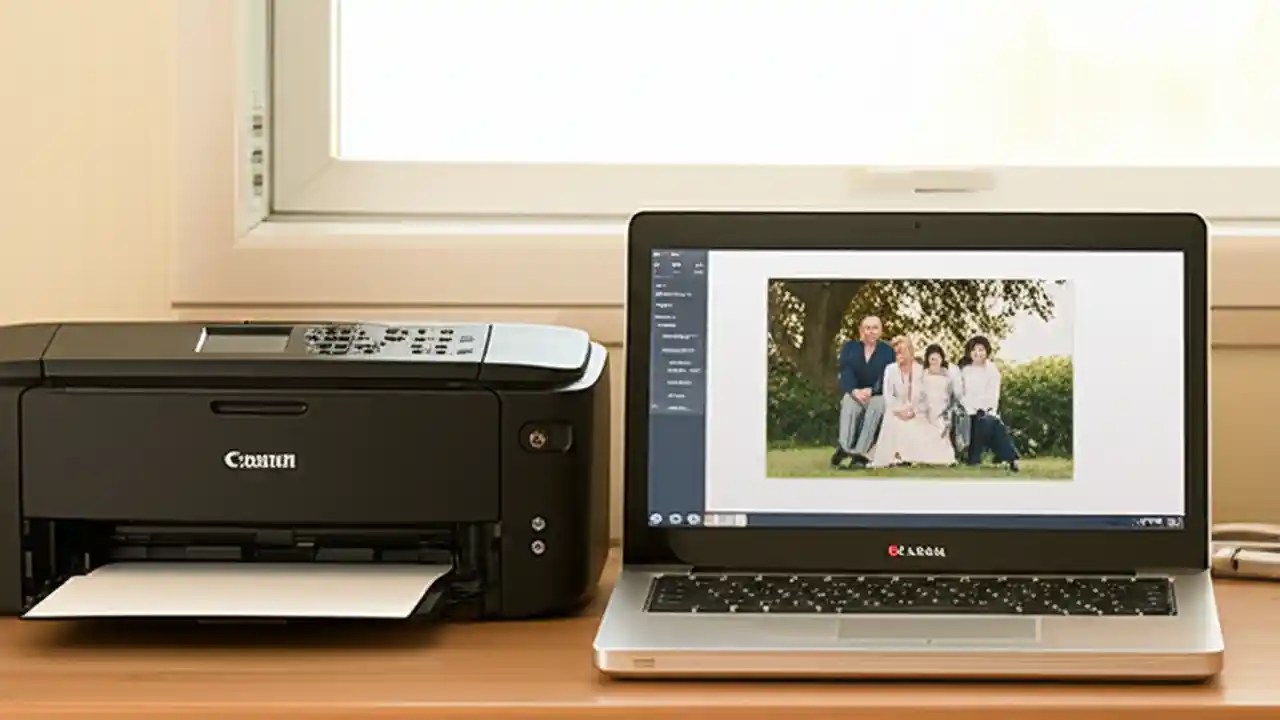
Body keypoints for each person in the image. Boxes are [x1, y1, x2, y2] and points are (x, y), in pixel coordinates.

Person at [869, 336, 956, 468]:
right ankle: (895, 456)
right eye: (897, 352)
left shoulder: (920, 370)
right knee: (891, 420)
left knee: (927, 434)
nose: (900, 355)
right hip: (896, 412)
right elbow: (888, 396)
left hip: (917, 413)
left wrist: (913, 410)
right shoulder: (890, 369)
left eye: (903, 351)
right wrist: (899, 411)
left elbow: (925, 397)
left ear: (910, 351)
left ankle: (909, 455)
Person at [831, 315, 894, 468]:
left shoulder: (887, 351)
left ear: (880, 331)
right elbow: (846, 371)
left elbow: (887, 375)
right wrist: (854, 391)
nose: (871, 332)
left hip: (876, 394)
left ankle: (861, 453)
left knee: (878, 405)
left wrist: (871, 391)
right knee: (847, 401)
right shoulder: (850, 348)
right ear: (861, 330)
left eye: (875, 328)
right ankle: (844, 448)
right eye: (867, 328)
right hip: (855, 393)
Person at [957, 335, 1020, 472]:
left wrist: (987, 410)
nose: (977, 353)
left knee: (990, 422)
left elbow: (993, 394)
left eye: (981, 350)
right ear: (969, 352)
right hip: (967, 413)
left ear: (987, 352)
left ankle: (979, 458)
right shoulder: (963, 371)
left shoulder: (992, 370)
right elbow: (960, 394)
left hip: (987, 412)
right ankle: (1010, 458)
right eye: (974, 350)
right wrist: (971, 409)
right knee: (986, 422)